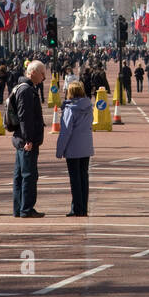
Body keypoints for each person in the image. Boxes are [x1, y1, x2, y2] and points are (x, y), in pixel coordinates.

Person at [11, 61, 47, 218]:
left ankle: (19, 207)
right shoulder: (26, 90)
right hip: (26, 140)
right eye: (42, 73)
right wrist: (29, 139)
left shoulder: (22, 88)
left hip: (20, 138)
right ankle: (26, 208)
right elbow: (25, 117)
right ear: (33, 72)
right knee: (29, 175)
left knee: (20, 175)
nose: (44, 77)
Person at [55, 79, 94, 216]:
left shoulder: (70, 109)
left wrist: (59, 150)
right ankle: (83, 206)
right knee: (84, 177)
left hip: (73, 147)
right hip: (86, 146)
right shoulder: (88, 107)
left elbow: (66, 131)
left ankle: (77, 207)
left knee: (75, 179)